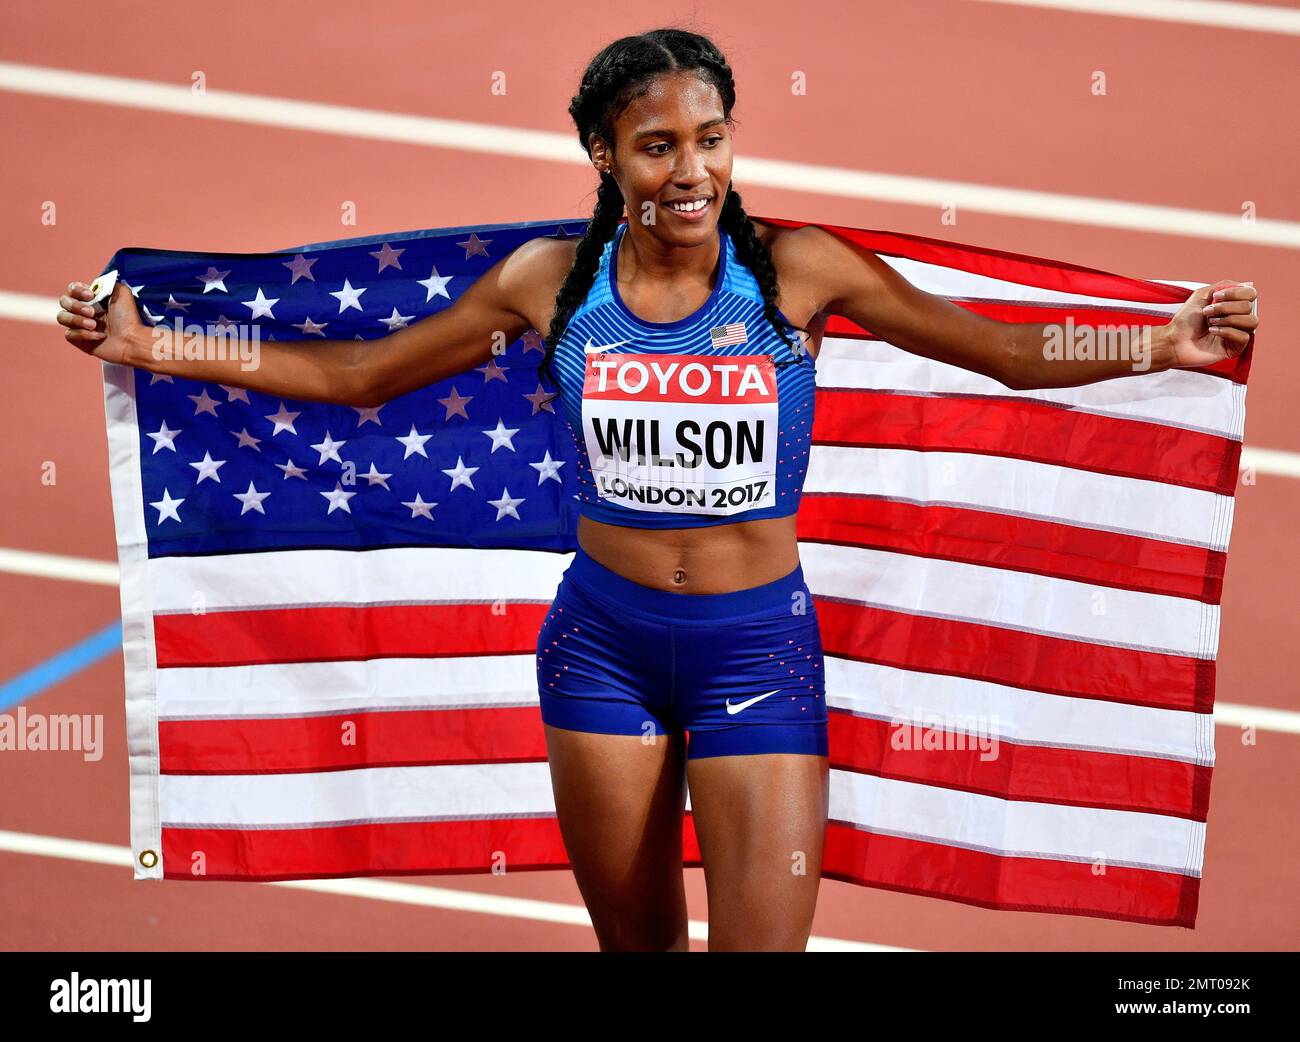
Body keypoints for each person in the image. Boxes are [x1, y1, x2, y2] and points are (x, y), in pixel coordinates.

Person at [57, 27, 1258, 952]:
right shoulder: (548, 282)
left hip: (756, 651)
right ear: (602, 154)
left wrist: (1157, 342)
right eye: (659, 144)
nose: (694, 170)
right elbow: (364, 372)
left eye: (713, 138)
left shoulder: (796, 270)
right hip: (601, 647)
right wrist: (157, 346)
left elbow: (996, 350)